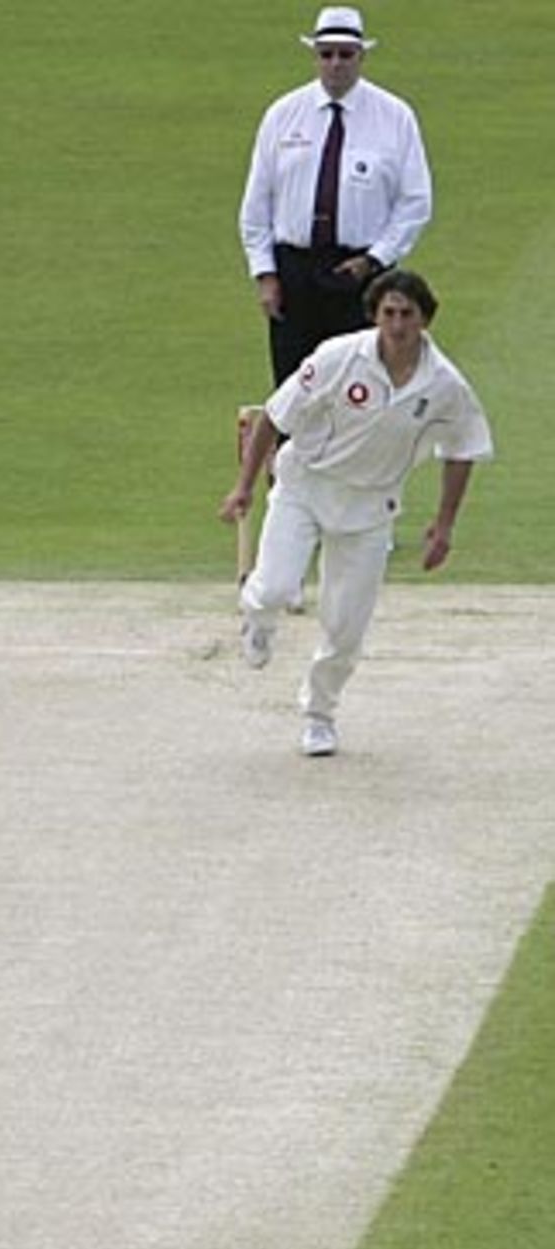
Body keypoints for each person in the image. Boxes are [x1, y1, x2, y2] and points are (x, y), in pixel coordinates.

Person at [218, 270, 493, 758]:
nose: (398, 324)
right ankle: (258, 617)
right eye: (389, 313)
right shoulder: (338, 357)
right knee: (277, 588)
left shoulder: (445, 384)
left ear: (425, 319)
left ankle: (319, 715)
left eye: (408, 314)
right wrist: (243, 487)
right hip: (304, 485)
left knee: (345, 629)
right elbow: (274, 416)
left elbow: (463, 449)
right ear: (375, 315)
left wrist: (444, 524)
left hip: (370, 508)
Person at [239, 7, 433, 387]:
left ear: (362, 56)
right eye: (327, 54)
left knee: (360, 386)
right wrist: (265, 274)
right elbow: (257, 202)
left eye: (346, 54)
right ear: (315, 57)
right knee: (294, 388)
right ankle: (292, 450)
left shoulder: (394, 117)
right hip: (295, 270)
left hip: (362, 274)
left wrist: (375, 259)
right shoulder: (283, 115)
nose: (336, 64)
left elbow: (415, 202)